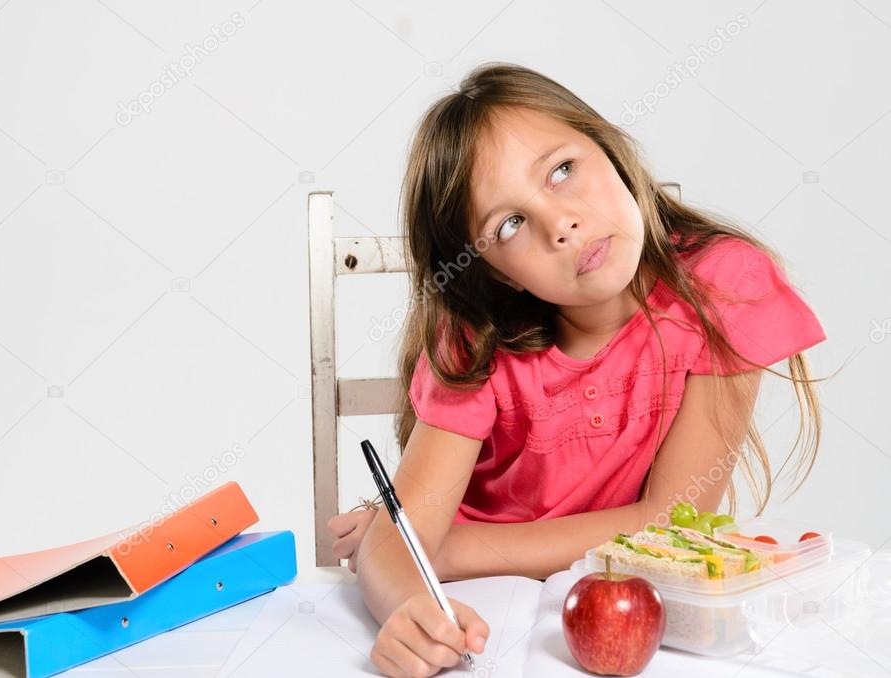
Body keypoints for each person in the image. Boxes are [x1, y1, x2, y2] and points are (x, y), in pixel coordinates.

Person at [327, 62, 828, 677]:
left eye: (563, 171)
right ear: (496, 274)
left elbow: (670, 521)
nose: (560, 225)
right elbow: (397, 545)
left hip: (620, 603)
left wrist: (447, 549)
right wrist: (411, 598)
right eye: (509, 224)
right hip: (491, 621)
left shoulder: (723, 288)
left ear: (609, 150)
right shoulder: (475, 336)